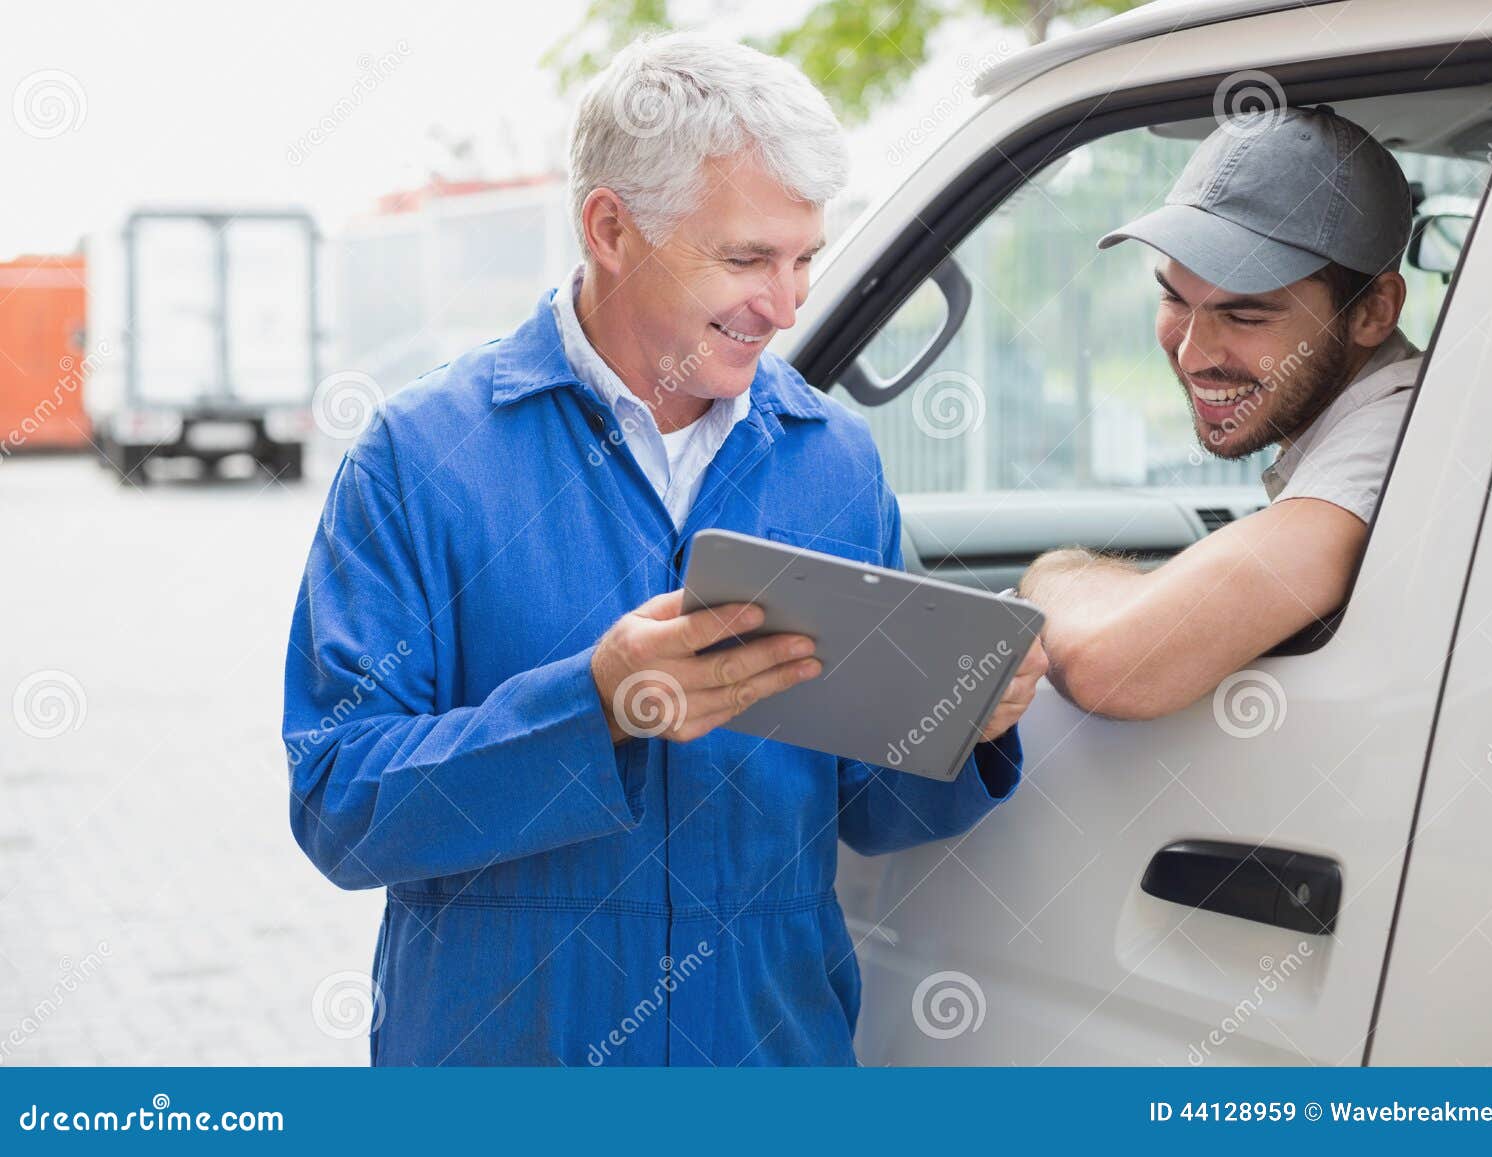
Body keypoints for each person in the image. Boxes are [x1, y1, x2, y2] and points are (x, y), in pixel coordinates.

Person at [283, 32, 1046, 1066]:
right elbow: (341, 799)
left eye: (803, 258)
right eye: (744, 259)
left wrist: (972, 719)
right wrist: (591, 706)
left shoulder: (834, 460)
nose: (785, 304)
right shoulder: (421, 457)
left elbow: (871, 808)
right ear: (610, 226)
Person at [1019, 105, 1421, 719]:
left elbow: (1116, 667)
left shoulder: (1391, 443)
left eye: (1245, 315)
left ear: (1373, 310)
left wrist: (1056, 574)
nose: (1192, 351)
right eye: (1174, 298)